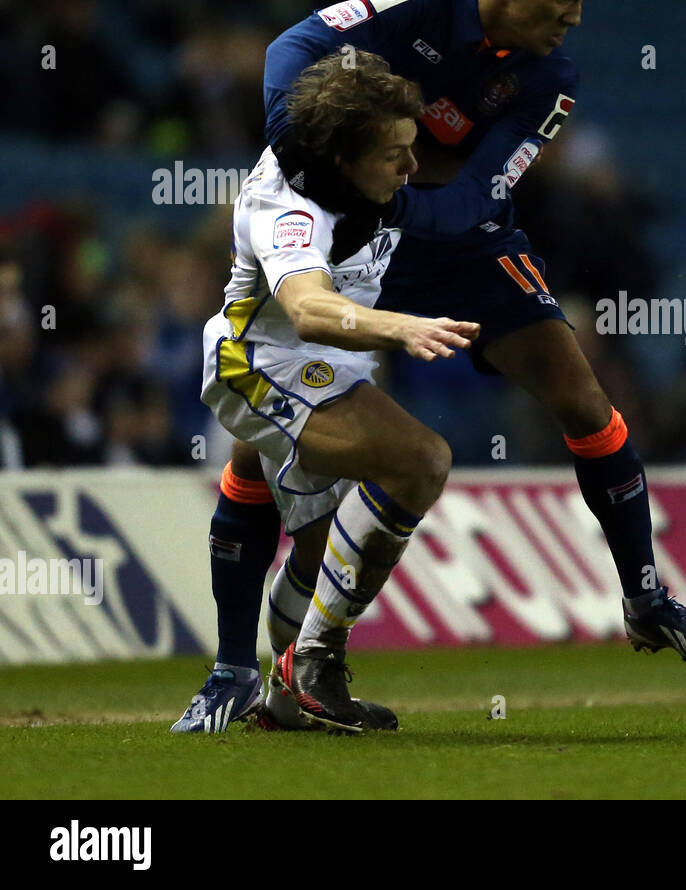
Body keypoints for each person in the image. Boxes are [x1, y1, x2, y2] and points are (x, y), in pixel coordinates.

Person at [175, 0, 686, 734]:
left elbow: (476, 193)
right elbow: (290, 50)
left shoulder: (551, 80)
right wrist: (302, 154)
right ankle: (246, 666)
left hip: (452, 238)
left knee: (582, 397)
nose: (574, 18)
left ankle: (645, 596)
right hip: (352, 220)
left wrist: (389, 191)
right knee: (281, 453)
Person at [172, 51, 479, 733]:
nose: (409, 167)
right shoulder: (290, 203)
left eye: (413, 147)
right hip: (258, 359)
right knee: (420, 459)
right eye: (395, 153)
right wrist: (398, 327)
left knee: (319, 555)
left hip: (328, 365)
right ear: (344, 156)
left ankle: (271, 692)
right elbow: (308, 308)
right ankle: (308, 662)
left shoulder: (366, 180)